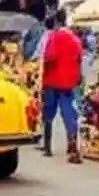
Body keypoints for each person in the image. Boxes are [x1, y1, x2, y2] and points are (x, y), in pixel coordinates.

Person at [37, 11, 84, 163]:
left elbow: (49, 57)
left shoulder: (54, 36)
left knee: (48, 112)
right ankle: (71, 145)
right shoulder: (75, 39)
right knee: (69, 112)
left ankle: (47, 146)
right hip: (68, 82)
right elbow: (78, 60)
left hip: (52, 81)